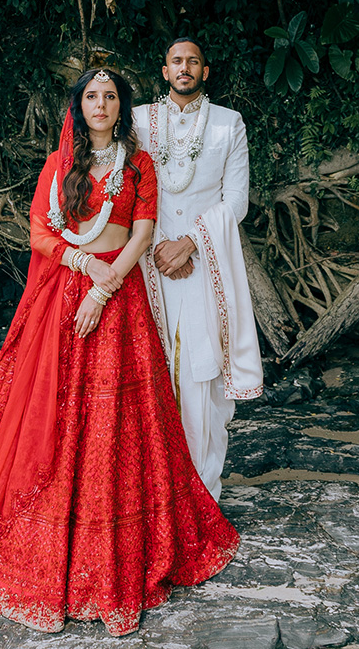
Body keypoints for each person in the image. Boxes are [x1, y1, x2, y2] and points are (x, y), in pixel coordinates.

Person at [0, 68, 238, 636]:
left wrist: (102, 286)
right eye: (91, 96)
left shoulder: (138, 163)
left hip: (118, 296)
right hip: (60, 299)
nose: (100, 104)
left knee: (116, 426)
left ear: (122, 107)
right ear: (80, 105)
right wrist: (80, 266)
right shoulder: (60, 163)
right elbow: (40, 233)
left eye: (110, 96)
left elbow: (142, 234)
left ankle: (112, 553)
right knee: (46, 415)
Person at [134, 38, 264, 503]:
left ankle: (203, 494)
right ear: (164, 71)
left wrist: (189, 244)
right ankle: (152, 492)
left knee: (201, 373)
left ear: (205, 72)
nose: (184, 68)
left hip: (204, 264)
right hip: (145, 265)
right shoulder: (138, 120)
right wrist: (153, 249)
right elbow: (120, 186)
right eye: (176, 61)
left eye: (193, 61)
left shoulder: (229, 124)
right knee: (147, 369)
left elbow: (236, 202)